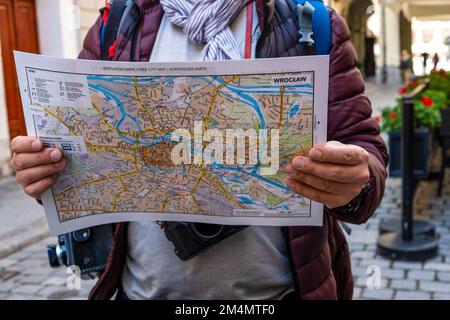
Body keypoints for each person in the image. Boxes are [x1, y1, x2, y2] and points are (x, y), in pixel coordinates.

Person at [10, 0, 388, 300]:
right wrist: (44, 170)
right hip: (142, 291)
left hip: (278, 292)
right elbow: (79, 146)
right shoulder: (120, 21)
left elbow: (364, 149)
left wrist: (358, 180)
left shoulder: (311, 23)